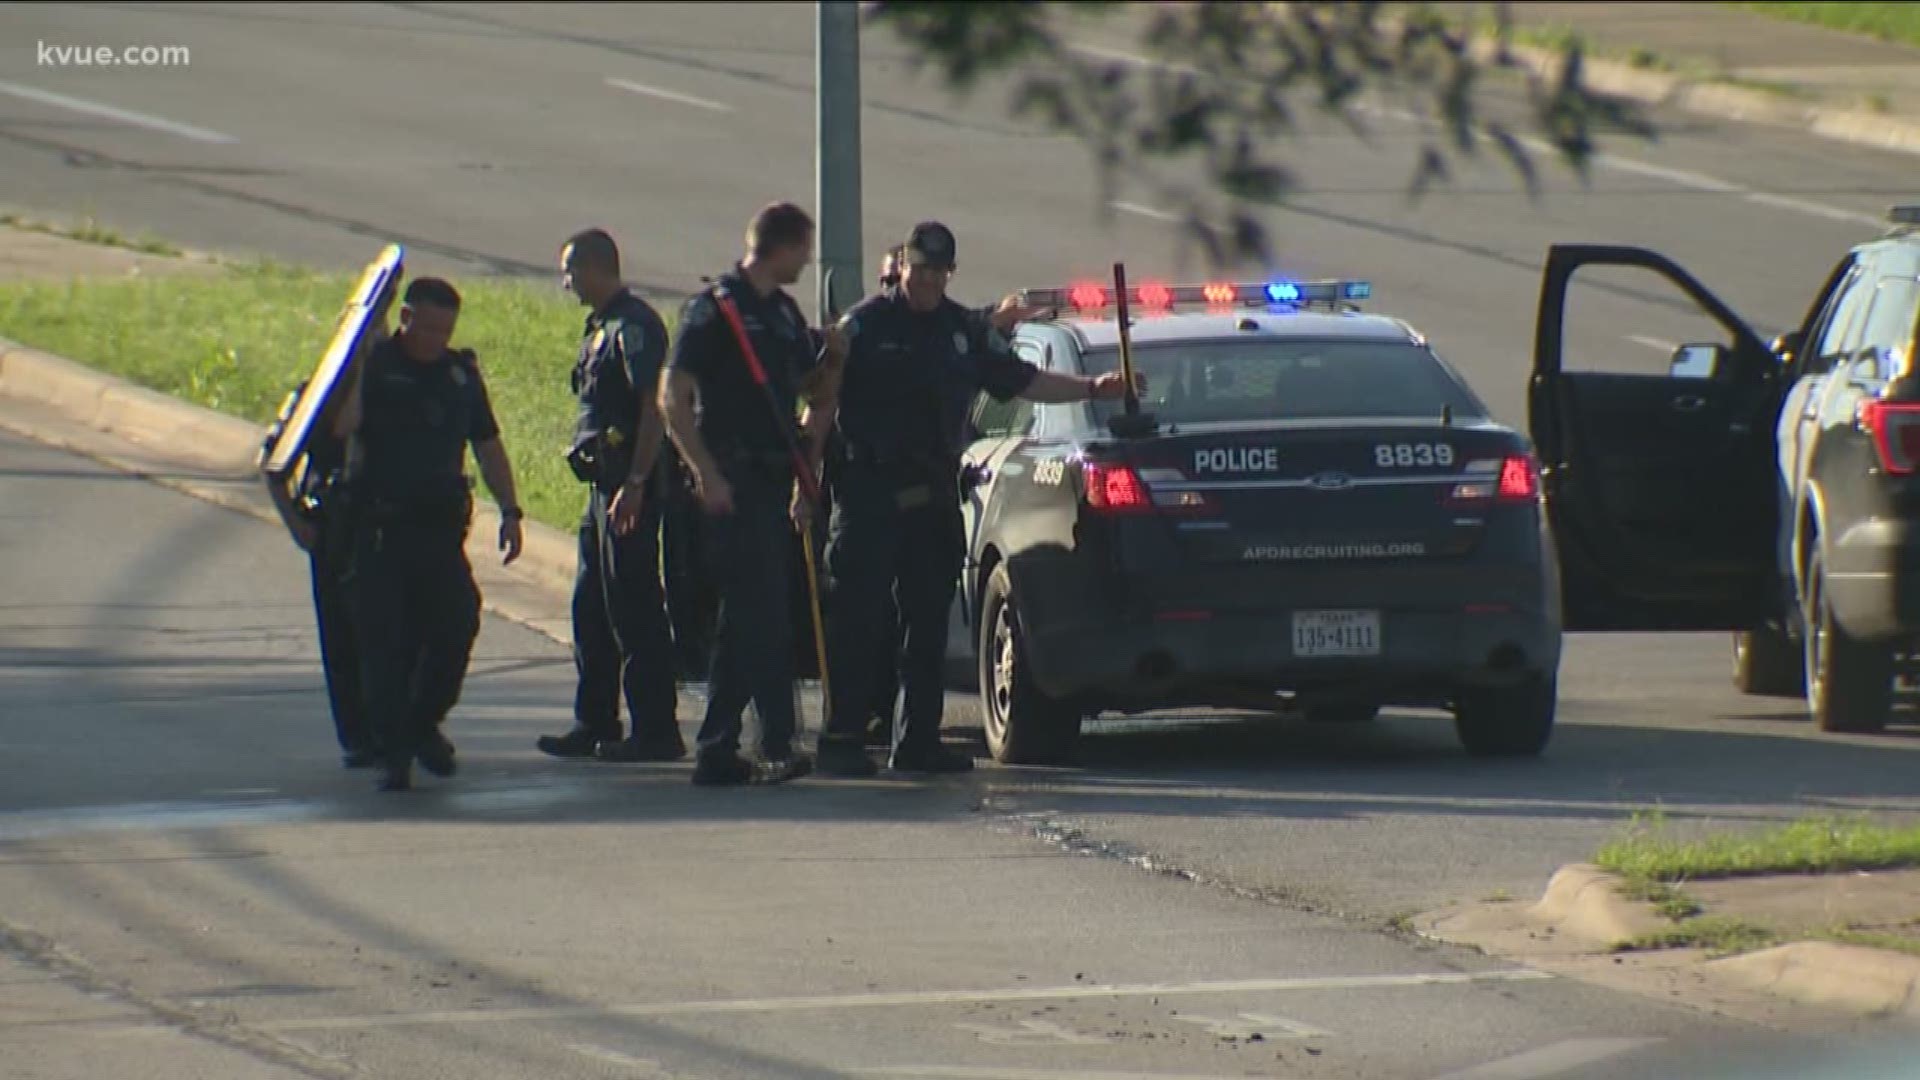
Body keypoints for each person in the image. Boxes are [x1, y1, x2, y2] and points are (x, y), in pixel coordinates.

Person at [811, 221, 1135, 778]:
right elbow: (821, 397)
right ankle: (841, 739)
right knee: (857, 621)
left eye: (941, 271)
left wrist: (1092, 389)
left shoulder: (962, 330)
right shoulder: (863, 325)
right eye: (921, 268)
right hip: (868, 494)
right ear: (904, 265)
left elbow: (1022, 380)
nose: (930, 279)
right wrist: (805, 477)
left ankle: (916, 743)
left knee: (928, 622)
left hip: (931, 495)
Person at [659, 201, 844, 787]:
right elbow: (673, 397)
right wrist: (706, 474)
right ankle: (775, 741)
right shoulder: (715, 311)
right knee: (759, 615)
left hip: (769, 480)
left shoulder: (783, 313)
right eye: (804, 251)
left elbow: (801, 387)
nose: (808, 261)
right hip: (731, 483)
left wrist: (833, 362)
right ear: (783, 248)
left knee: (750, 617)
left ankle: (720, 747)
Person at [333, 276, 526, 792]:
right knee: (385, 645)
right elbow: (341, 427)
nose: (437, 338)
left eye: (447, 329)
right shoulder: (376, 367)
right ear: (407, 319)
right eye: (430, 327)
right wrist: (357, 362)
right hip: (381, 528)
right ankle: (394, 751)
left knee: (456, 623)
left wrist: (510, 509)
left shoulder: (459, 375)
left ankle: (423, 723)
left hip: (438, 531)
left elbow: (487, 444)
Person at [537, 228, 687, 765]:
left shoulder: (636, 327)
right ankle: (595, 720)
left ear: (599, 268)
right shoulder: (601, 326)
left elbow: (655, 409)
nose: (566, 282)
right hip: (602, 490)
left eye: (571, 271)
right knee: (592, 607)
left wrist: (637, 484)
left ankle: (656, 729)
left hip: (630, 489)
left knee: (634, 606)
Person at [261, 371, 374, 769]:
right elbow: (273, 460)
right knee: (343, 633)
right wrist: (296, 523)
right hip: (336, 522)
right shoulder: (315, 393)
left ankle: (408, 724)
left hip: (394, 523)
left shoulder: (407, 376)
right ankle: (359, 736)